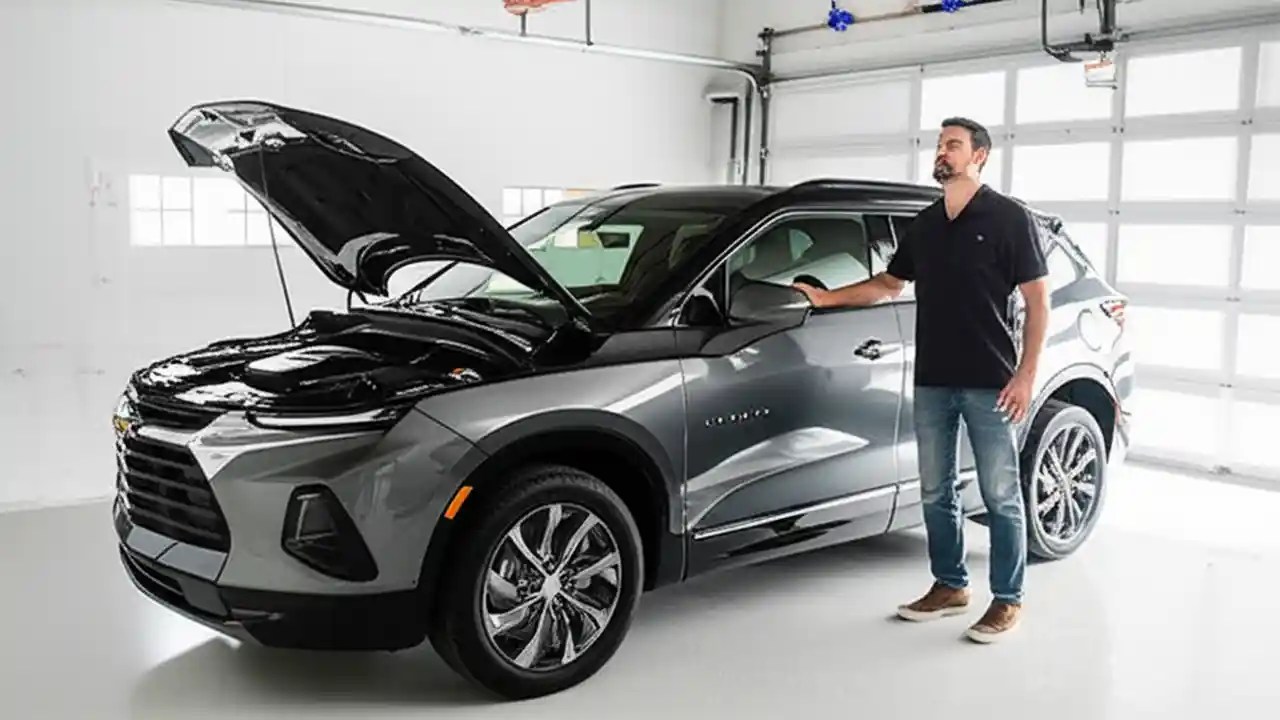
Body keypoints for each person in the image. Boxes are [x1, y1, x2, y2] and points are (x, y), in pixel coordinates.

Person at [793, 117, 1049, 643]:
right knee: (935, 491)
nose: (942, 152)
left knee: (1000, 494)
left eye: (952, 145)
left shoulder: (1008, 218)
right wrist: (826, 298)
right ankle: (950, 585)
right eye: (938, 144)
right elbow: (888, 283)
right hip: (933, 380)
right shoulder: (927, 223)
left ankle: (1007, 599)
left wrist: (1026, 375)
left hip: (991, 382)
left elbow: (1037, 299)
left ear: (979, 156)